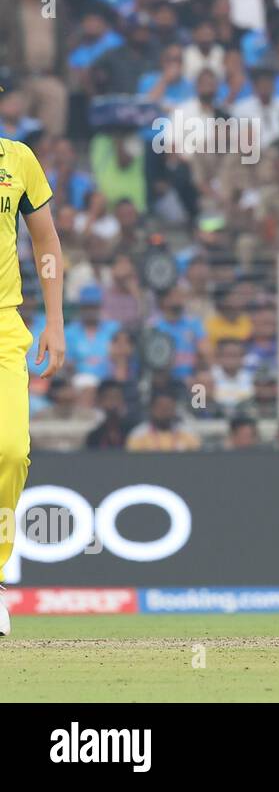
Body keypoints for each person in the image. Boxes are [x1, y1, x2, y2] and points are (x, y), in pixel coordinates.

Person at [0, 135, 65, 637]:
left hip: (4, 326)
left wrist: (55, 319)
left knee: (10, 450)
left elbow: (45, 241)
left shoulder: (17, 158)